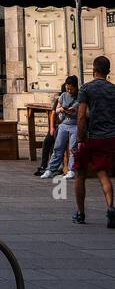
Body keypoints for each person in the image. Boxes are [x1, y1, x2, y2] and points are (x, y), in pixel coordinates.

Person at [73, 55, 115, 226]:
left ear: (93, 70)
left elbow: (81, 116)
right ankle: (110, 207)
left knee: (80, 174)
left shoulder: (86, 89)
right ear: (108, 72)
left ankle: (80, 213)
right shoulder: (114, 89)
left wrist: (80, 138)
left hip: (91, 138)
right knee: (103, 173)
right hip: (110, 138)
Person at [41, 76, 79, 179]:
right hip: (64, 124)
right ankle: (50, 169)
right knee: (58, 148)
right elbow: (56, 110)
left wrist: (75, 111)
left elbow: (86, 112)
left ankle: (71, 170)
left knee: (73, 149)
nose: (69, 91)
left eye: (71, 89)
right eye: (67, 89)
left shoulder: (81, 96)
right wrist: (62, 109)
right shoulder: (63, 95)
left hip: (75, 125)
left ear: (76, 87)